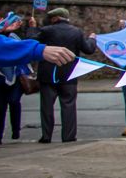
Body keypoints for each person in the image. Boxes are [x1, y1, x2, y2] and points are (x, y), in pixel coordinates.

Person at [28, 8, 96, 143]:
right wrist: (92, 39)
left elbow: (30, 43)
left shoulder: (46, 31)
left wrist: (32, 28)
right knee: (68, 105)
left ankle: (46, 136)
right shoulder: (76, 31)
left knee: (47, 107)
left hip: (48, 75)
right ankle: (68, 136)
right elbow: (88, 49)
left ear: (55, 18)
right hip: (69, 75)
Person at [0, 14, 28, 144]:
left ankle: (16, 130)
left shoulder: (15, 37)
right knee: (0, 107)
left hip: (15, 77)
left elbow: (23, 50)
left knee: (14, 102)